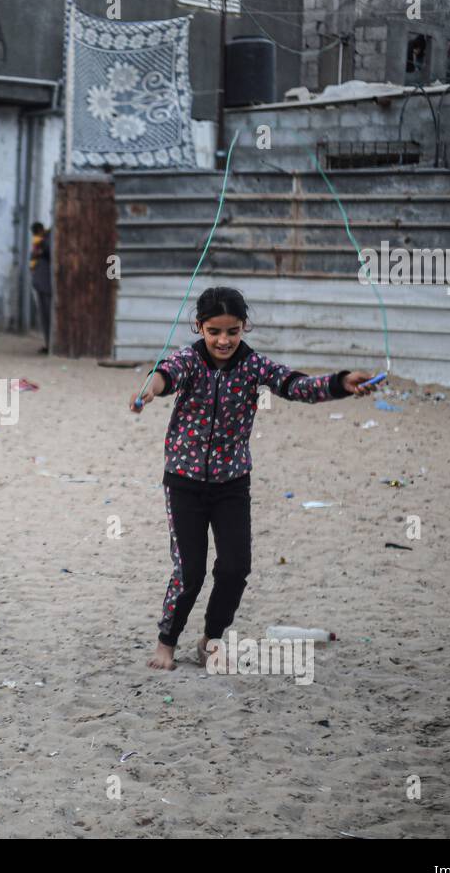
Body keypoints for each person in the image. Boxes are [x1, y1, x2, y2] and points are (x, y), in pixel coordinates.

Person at [132, 286, 381, 671]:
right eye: (214, 331)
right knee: (190, 571)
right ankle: (167, 640)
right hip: (184, 482)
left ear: (244, 327)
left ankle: (211, 638)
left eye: (232, 331)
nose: (223, 340)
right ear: (199, 327)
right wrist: (150, 388)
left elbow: (296, 386)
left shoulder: (254, 366)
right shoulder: (189, 361)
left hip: (232, 484)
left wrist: (341, 382)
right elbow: (166, 375)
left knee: (235, 568)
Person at [30, 222, 52, 353]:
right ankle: (49, 344)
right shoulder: (46, 237)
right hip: (43, 280)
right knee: (46, 314)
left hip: (44, 280)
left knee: (47, 314)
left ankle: (50, 344)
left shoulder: (47, 237)